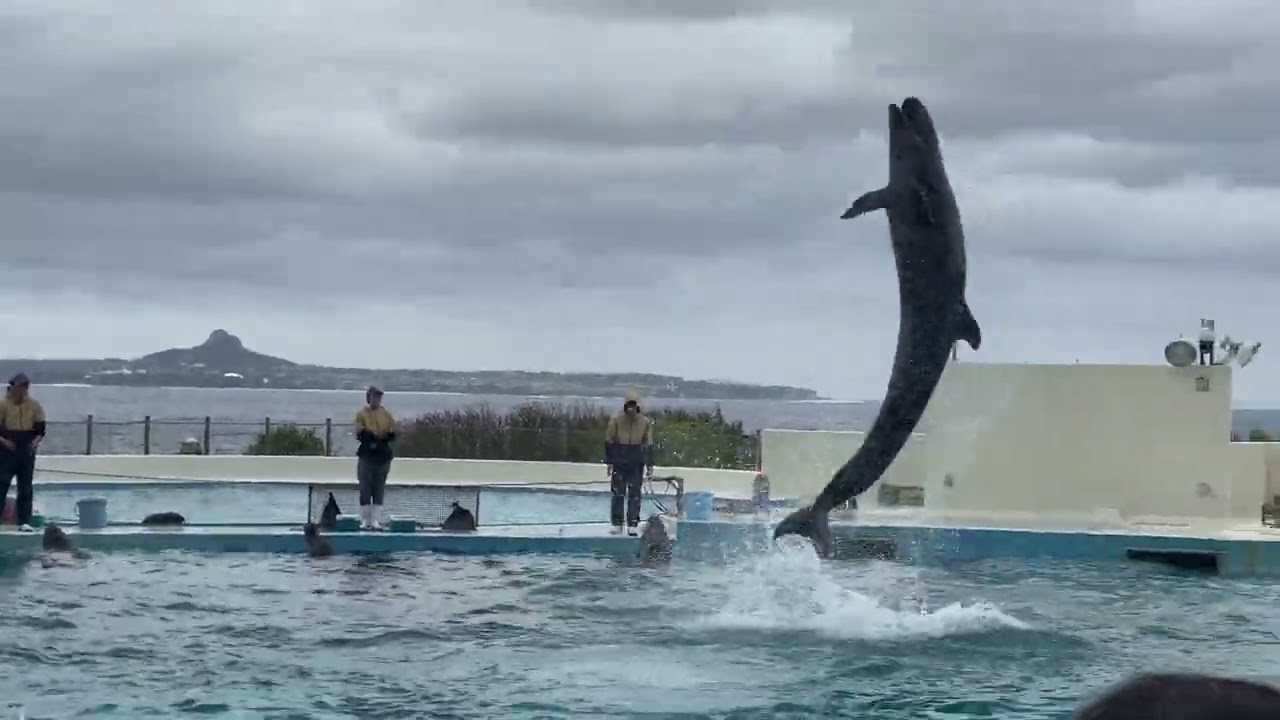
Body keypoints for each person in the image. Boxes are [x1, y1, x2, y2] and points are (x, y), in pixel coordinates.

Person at [604, 390, 653, 536]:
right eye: (629, 405)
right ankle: (617, 523)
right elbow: (609, 441)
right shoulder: (616, 420)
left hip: (636, 461)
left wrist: (650, 464)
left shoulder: (645, 422)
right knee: (618, 493)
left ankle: (632, 523)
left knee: (635, 494)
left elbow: (649, 443)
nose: (631, 408)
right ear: (625, 406)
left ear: (638, 406)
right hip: (620, 459)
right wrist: (609, 462)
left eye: (634, 405)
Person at [0, 373, 45, 532]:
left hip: (26, 445)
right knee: (2, 484)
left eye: (24, 388)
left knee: (25, 486)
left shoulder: (34, 405)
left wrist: (36, 441)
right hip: (7, 445)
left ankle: (24, 521)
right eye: (18, 388)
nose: (22, 391)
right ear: (12, 387)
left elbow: (40, 427)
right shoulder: (3, 404)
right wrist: (5, 442)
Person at [353, 385, 396, 530]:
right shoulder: (361, 414)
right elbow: (359, 432)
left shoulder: (387, 415)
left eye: (378, 396)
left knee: (379, 487)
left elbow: (392, 431)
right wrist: (369, 437)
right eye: (373, 396)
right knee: (365, 487)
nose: (376, 399)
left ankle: (376, 520)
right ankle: (365, 520)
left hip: (383, 456)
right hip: (367, 455)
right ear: (368, 397)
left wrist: (385, 438)